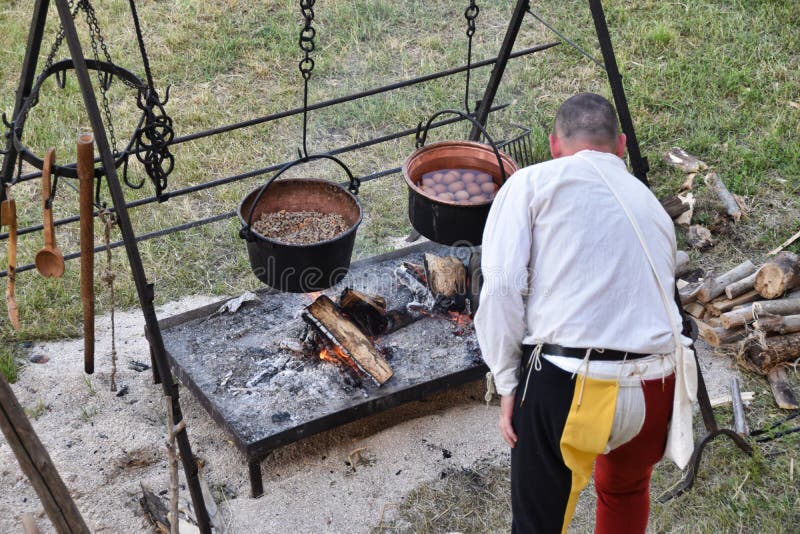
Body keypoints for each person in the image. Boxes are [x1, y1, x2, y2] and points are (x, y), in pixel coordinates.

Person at [474, 92, 693, 533]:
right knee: (626, 494)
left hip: (574, 384)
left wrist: (507, 382)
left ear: (555, 145)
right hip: (657, 384)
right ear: (621, 145)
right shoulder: (651, 205)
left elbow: (499, 290)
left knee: (538, 524)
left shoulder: (532, 183)